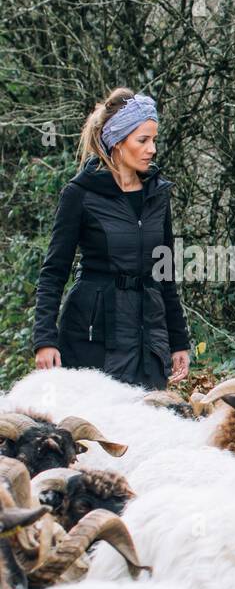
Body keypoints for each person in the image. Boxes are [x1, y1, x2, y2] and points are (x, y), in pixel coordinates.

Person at [32, 87, 191, 389]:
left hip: (149, 339)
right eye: (143, 140)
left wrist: (178, 340)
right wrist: (44, 340)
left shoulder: (157, 194)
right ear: (117, 141)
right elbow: (53, 272)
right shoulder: (79, 194)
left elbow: (165, 273)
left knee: (151, 428)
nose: (151, 149)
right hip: (93, 339)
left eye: (154, 139)